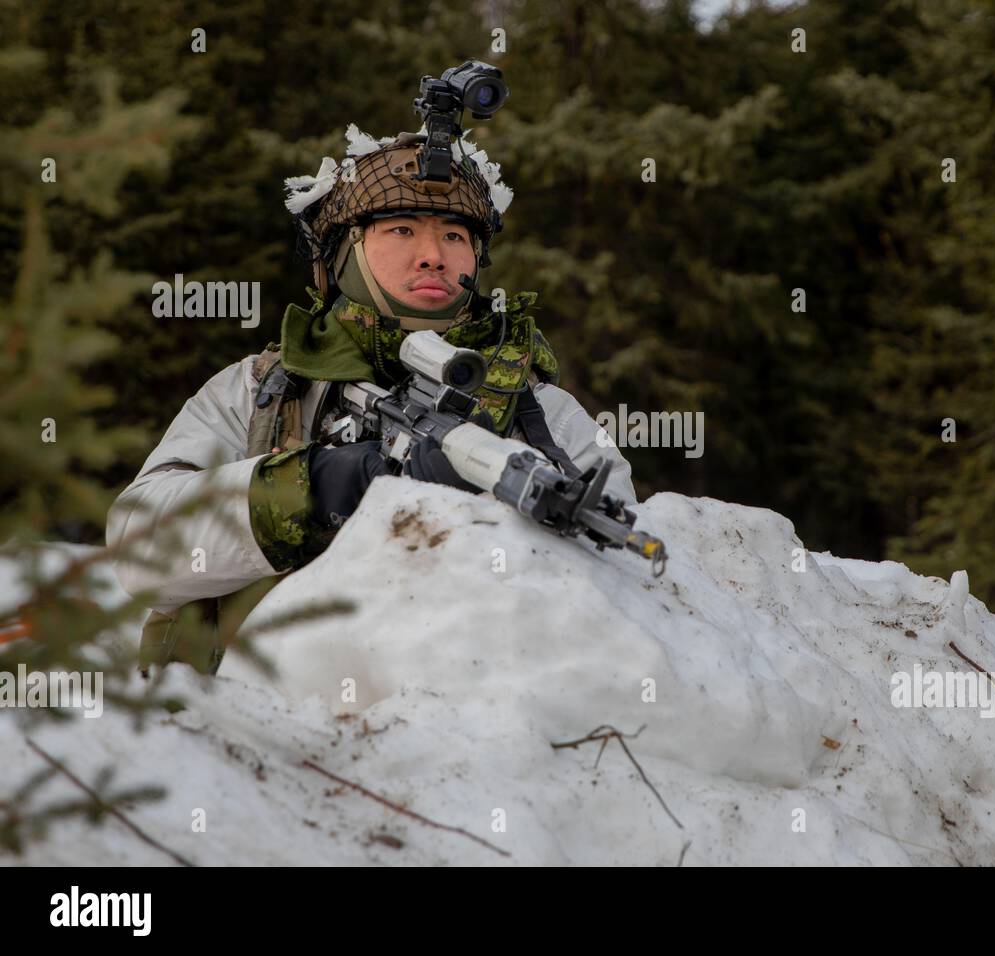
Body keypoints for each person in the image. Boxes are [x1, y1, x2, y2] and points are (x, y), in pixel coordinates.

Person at [107, 121, 636, 675]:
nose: (433, 254)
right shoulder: (262, 390)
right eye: (402, 229)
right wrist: (311, 487)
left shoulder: (543, 413)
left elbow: (617, 579)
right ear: (344, 253)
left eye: (455, 236)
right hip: (251, 734)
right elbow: (137, 548)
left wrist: (490, 519)